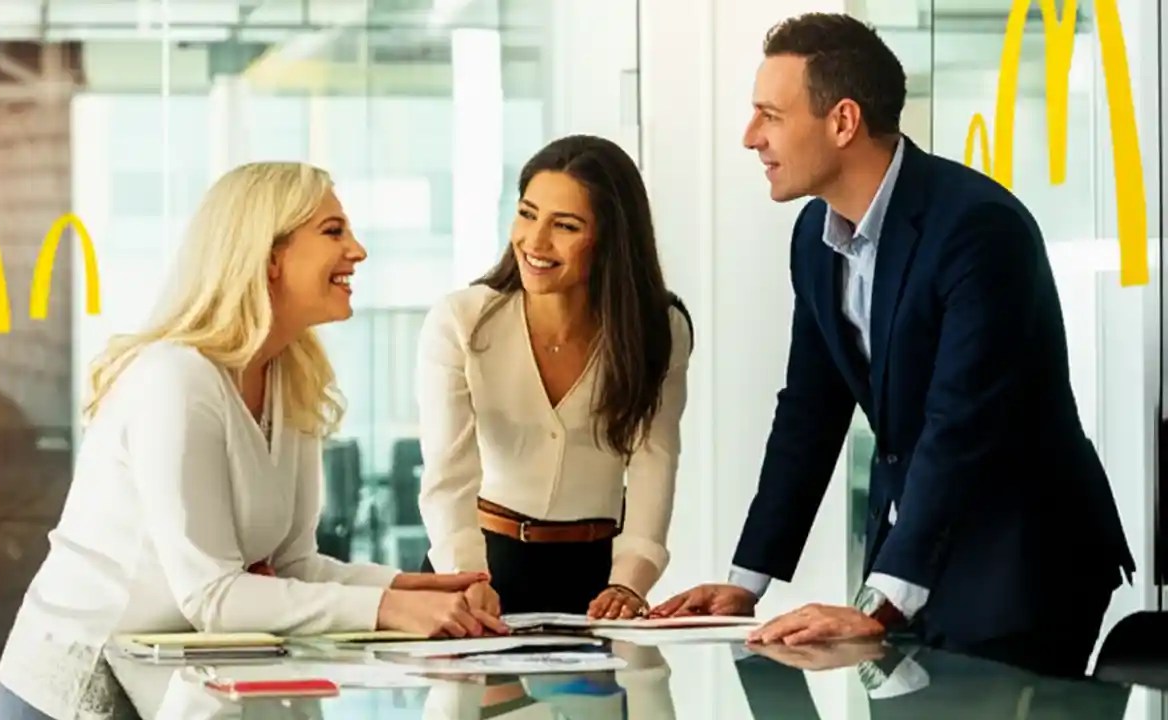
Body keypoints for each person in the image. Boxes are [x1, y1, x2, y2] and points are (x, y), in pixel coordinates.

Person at [651, 13, 1135, 677]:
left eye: (770, 114)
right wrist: (749, 582)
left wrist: (881, 603)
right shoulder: (815, 237)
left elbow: (959, 424)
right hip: (917, 551)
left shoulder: (976, 229)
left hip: (1022, 559)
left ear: (843, 121)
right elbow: (809, 414)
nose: (750, 137)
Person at [0, 161, 506, 720]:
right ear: (269, 256)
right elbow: (213, 596)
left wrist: (418, 590)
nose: (357, 251)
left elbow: (292, 566)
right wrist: (389, 608)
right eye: (333, 231)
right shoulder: (178, 380)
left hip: (171, 684)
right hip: (74, 691)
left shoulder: (291, 378)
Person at [416, 134, 693, 619]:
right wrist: (468, 577)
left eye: (565, 225)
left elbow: (656, 458)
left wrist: (630, 581)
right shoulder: (460, 321)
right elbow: (448, 477)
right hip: (477, 567)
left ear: (610, 236)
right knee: (476, 697)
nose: (535, 241)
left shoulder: (659, 328)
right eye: (527, 214)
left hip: (598, 579)